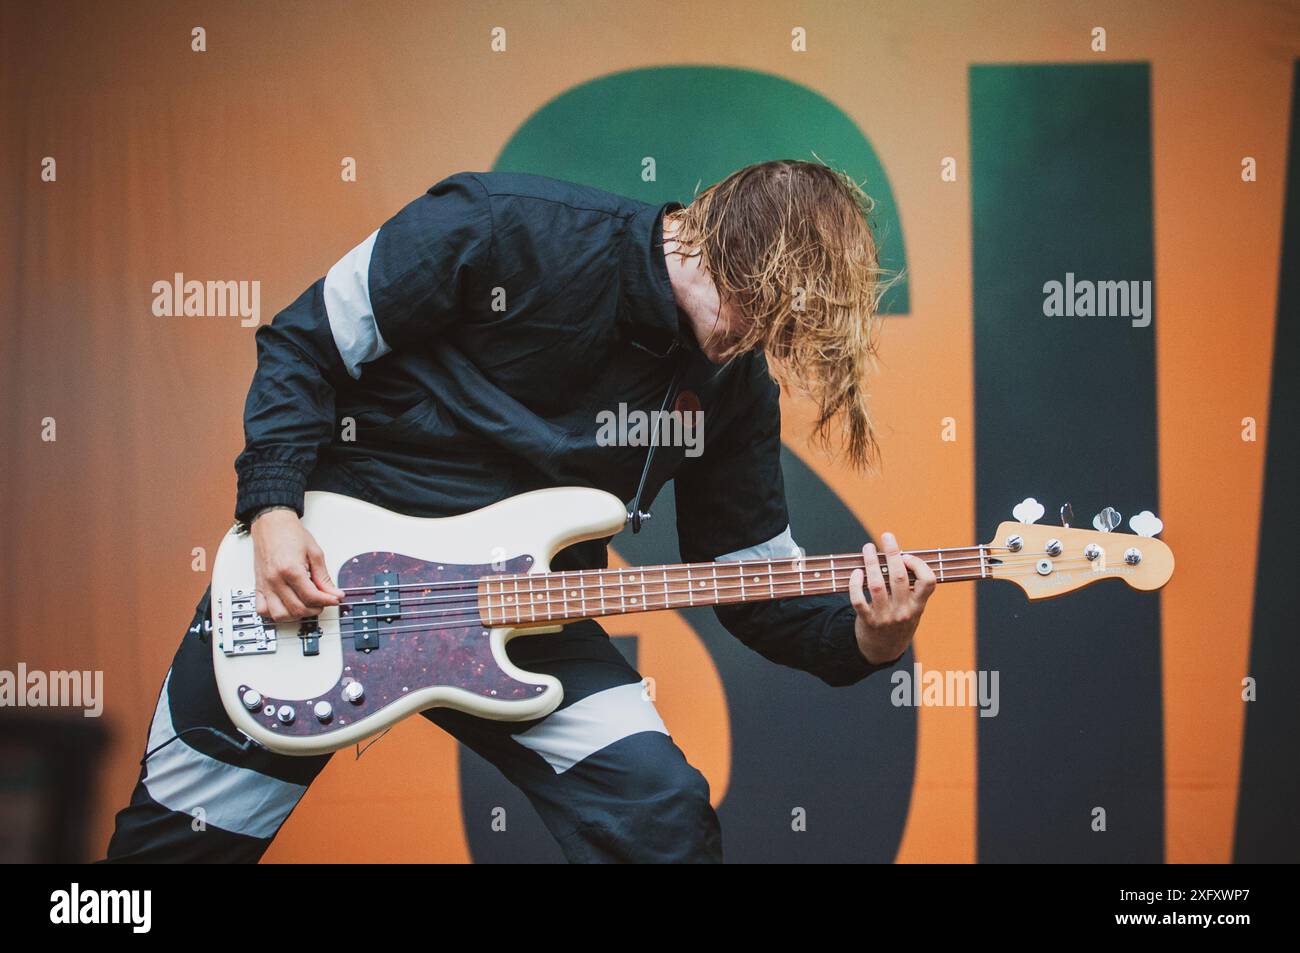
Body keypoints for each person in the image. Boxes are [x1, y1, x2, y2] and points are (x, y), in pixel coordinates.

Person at [104, 159, 935, 863]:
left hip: (526, 610)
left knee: (663, 815)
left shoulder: (731, 383)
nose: (760, 342)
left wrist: (872, 635)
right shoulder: (502, 225)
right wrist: (274, 510)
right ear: (724, 245)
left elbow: (756, 586)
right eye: (762, 311)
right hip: (330, 578)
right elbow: (304, 338)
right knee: (167, 854)